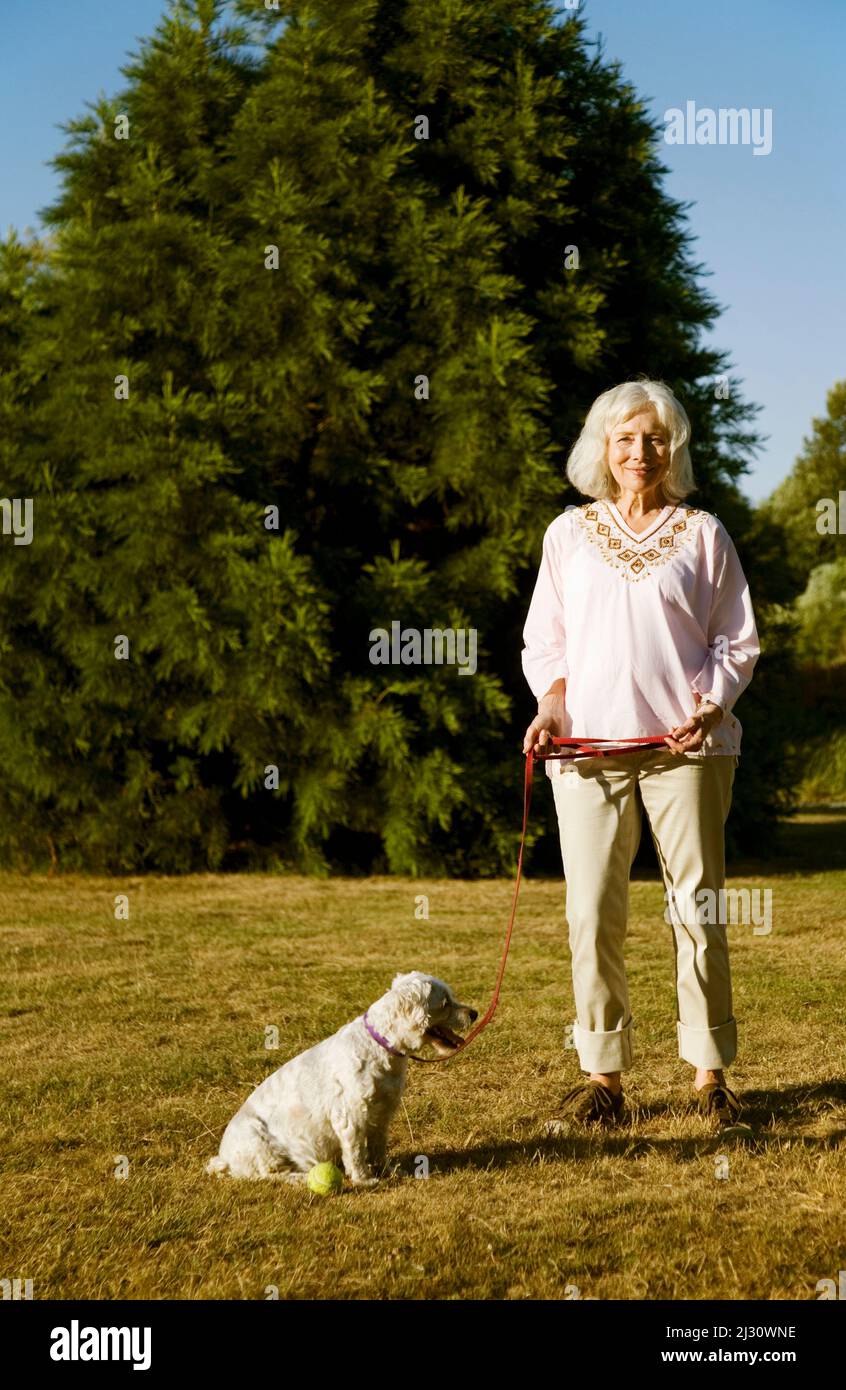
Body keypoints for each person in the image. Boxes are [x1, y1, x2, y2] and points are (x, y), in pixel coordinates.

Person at [521, 379, 760, 1129]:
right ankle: (604, 1081)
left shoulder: (702, 534)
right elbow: (546, 643)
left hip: (687, 750)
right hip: (587, 751)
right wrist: (551, 707)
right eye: (624, 438)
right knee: (591, 911)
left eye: (654, 439)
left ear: (673, 449)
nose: (639, 452)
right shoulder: (568, 536)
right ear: (602, 447)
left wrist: (712, 703)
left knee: (698, 910)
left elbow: (738, 639)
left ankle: (710, 1076)